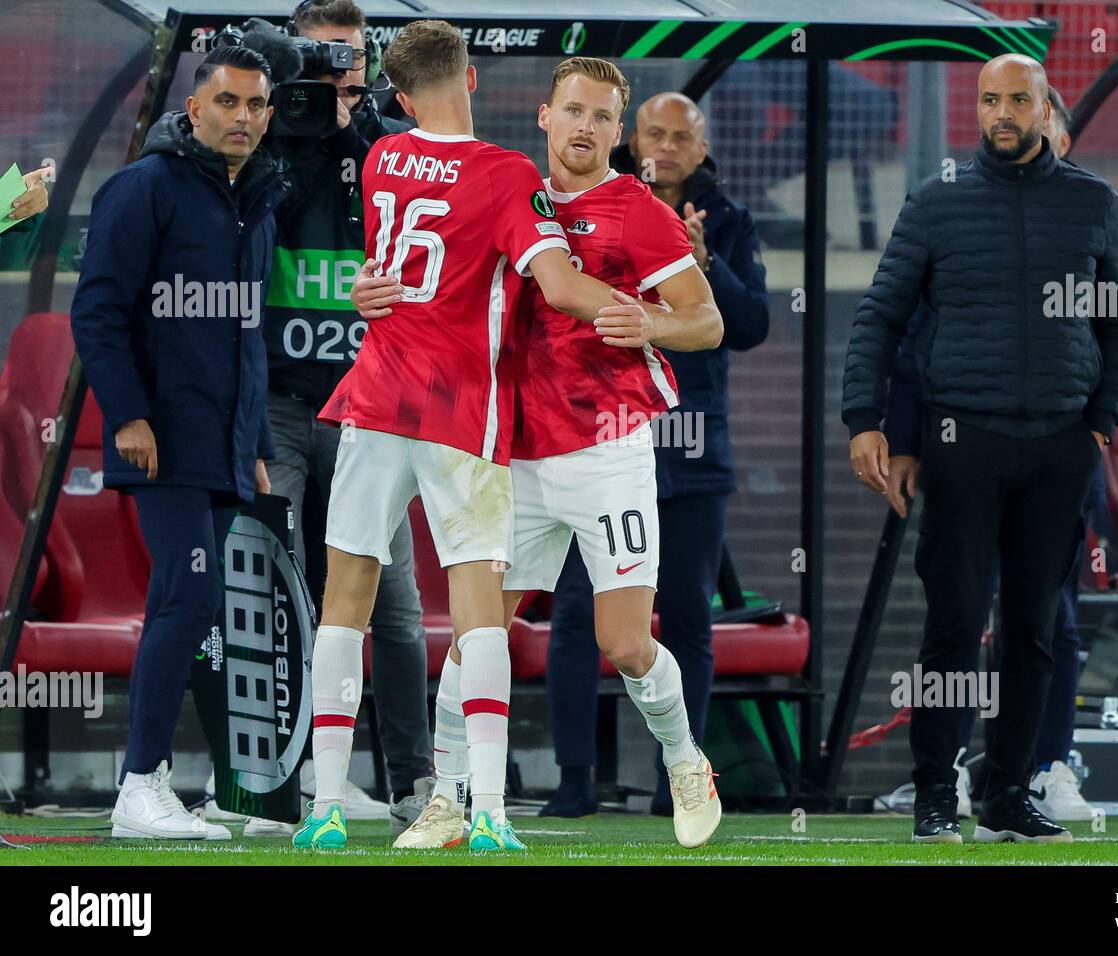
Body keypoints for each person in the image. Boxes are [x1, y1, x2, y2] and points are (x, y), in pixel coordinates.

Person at [300, 22, 666, 852]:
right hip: (460, 404)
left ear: (396, 96)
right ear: (471, 79)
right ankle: (492, 810)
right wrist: (638, 316)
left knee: (344, 596)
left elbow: (384, 274)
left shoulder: (383, 160)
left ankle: (322, 807)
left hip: (372, 395)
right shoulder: (505, 173)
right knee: (478, 612)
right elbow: (559, 283)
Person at [841, 54, 1118, 844]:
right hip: (961, 441)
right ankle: (937, 790)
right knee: (955, 623)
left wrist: (1100, 422)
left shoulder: (1095, 202)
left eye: (1018, 99)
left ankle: (1008, 793)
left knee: (1034, 632)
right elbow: (880, 318)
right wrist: (863, 419)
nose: (1001, 112)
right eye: (990, 99)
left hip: (1060, 448)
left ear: (1046, 109)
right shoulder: (936, 204)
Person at [70, 45, 286, 840]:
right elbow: (96, 312)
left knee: (204, 614)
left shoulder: (255, 198)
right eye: (228, 102)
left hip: (224, 446)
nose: (242, 117)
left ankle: (216, 788)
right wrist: (127, 415)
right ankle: (138, 786)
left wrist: (255, 440)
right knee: (187, 601)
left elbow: (244, 336)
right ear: (194, 109)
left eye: (256, 105)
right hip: (159, 441)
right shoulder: (142, 189)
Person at [542, 90, 768, 818]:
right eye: (655, 133)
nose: (666, 147)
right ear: (630, 138)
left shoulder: (727, 220)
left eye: (682, 137)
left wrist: (708, 266)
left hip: (693, 448)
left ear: (702, 150)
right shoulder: (570, 210)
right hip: (596, 436)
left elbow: (749, 324)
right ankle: (574, 780)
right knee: (578, 612)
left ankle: (686, 774)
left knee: (685, 618)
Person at [255, 0, 431, 836]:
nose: (338, 73)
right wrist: (298, 117)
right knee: (275, 594)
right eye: (320, 57)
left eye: (352, 58)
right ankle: (272, 787)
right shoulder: (263, 121)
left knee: (393, 607)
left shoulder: (391, 136)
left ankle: (415, 784)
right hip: (282, 404)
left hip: (369, 406)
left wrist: (359, 122)